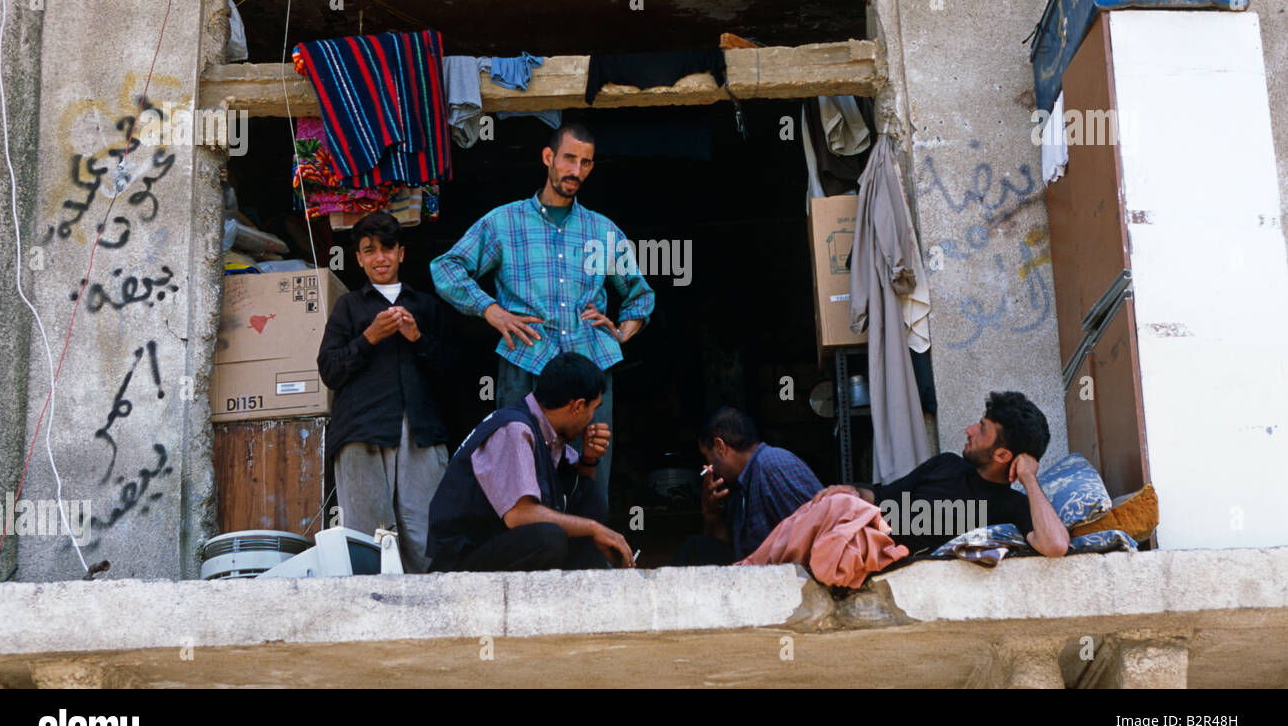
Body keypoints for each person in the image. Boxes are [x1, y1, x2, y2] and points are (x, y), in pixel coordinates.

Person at [430, 121, 655, 507]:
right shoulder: (504, 222)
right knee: (521, 480)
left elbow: (640, 295)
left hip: (590, 368)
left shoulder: (602, 230)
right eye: (569, 158)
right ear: (548, 157)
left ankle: (593, 545)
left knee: (592, 475)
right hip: (527, 363)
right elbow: (445, 268)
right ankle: (530, 544)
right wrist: (491, 311)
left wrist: (620, 332)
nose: (576, 170)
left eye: (585, 163)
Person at [316, 211, 452, 573]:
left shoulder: (426, 306)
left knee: (427, 538)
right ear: (358, 259)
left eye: (388, 249)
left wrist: (418, 338)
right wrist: (369, 337)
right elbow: (329, 371)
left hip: (421, 433)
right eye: (369, 250)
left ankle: (430, 607)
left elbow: (452, 375)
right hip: (361, 431)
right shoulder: (348, 306)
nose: (380, 258)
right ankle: (372, 607)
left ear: (401, 254)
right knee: (372, 539)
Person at [426, 352, 634, 572]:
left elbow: (582, 498)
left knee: (590, 497)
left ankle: (587, 585)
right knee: (548, 538)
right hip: (462, 561)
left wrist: (589, 459)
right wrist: (593, 528)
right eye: (593, 409)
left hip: (501, 547)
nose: (592, 419)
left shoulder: (550, 435)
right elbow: (519, 515)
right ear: (577, 406)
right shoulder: (514, 429)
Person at [815, 390, 1069, 557]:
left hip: (885, 560)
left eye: (982, 429)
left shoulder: (1010, 506)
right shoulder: (946, 464)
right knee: (819, 501)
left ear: (1002, 456)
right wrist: (851, 492)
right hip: (857, 533)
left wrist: (1029, 478)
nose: (969, 430)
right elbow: (883, 496)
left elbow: (1055, 545)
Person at [674, 407, 824, 566]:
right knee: (699, 547)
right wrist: (711, 514)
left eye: (707, 457)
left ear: (720, 446)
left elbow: (819, 531)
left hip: (792, 577)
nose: (709, 466)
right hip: (756, 575)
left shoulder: (773, 464)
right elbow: (728, 552)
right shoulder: (739, 490)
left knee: (695, 546)